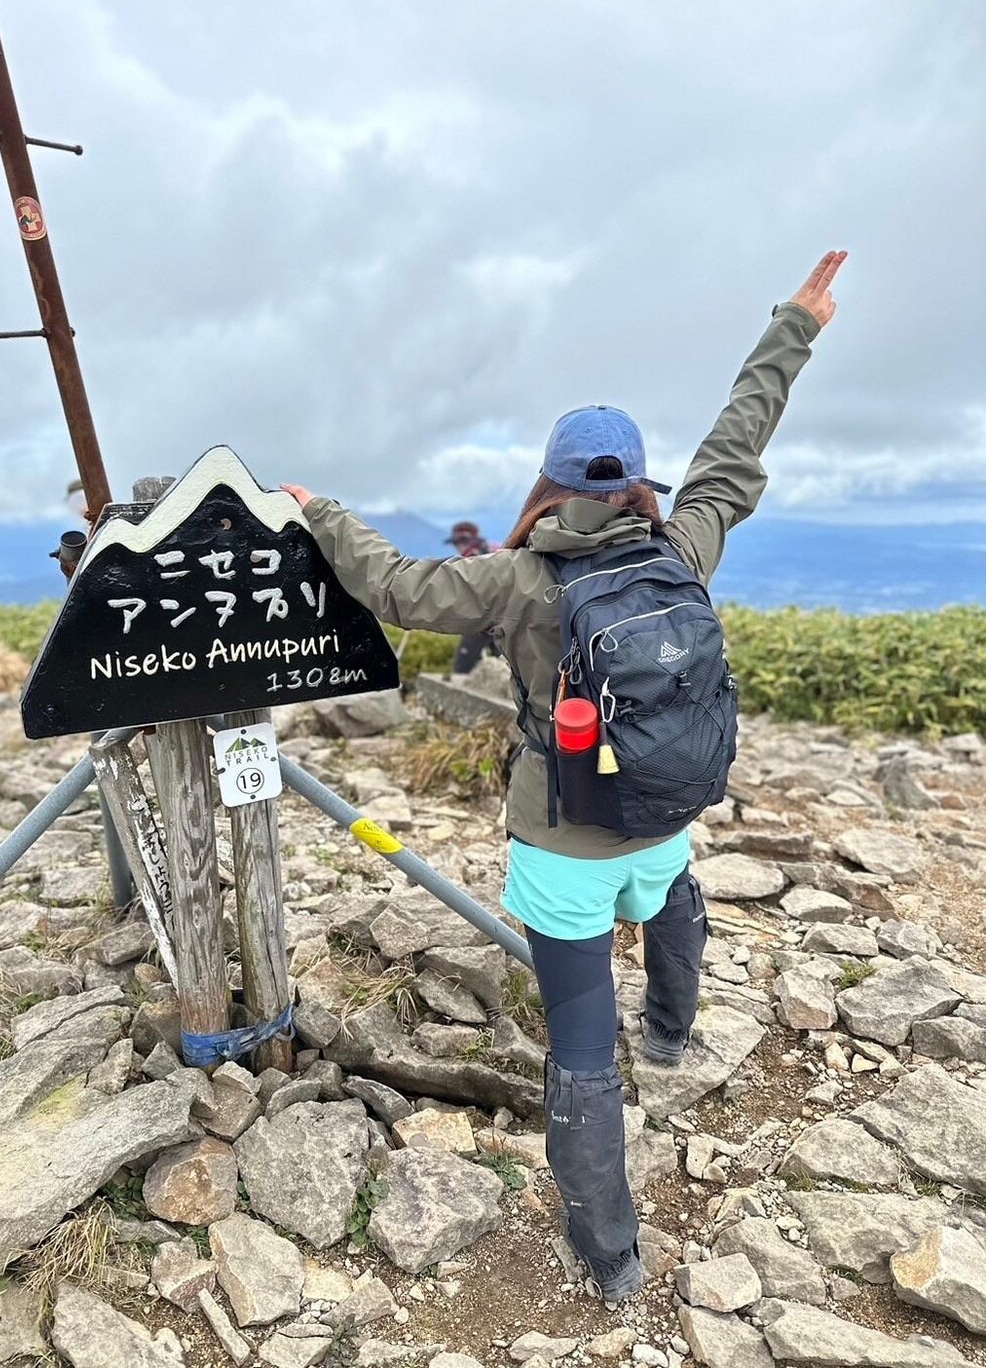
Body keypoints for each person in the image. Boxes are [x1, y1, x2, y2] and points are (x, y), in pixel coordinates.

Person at [281, 250, 847, 1302]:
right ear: (635, 482)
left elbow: (395, 586)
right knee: (671, 894)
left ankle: (610, 1252)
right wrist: (793, 326)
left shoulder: (515, 578)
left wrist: (323, 511)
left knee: (580, 1036)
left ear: (550, 480)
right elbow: (734, 442)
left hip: (561, 840)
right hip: (663, 811)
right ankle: (672, 1031)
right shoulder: (682, 544)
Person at [444, 521, 499, 673]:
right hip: (504, 616)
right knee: (503, 660)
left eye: (459, 542)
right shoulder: (493, 550)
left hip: (483, 617)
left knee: (462, 665)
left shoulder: (473, 556)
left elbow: (473, 589)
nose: (457, 547)